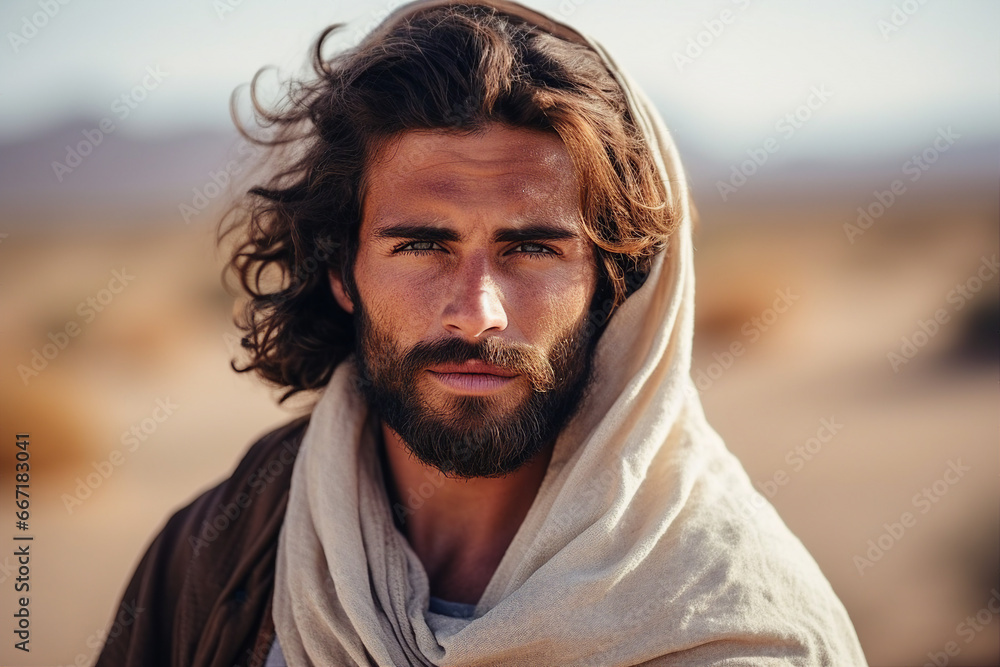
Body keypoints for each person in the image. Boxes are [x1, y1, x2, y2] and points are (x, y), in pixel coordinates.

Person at [97, 1, 868, 665]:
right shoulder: (223, 550)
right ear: (340, 268)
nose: (477, 312)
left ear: (613, 284)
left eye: (532, 248)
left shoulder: (739, 629)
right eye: (423, 245)